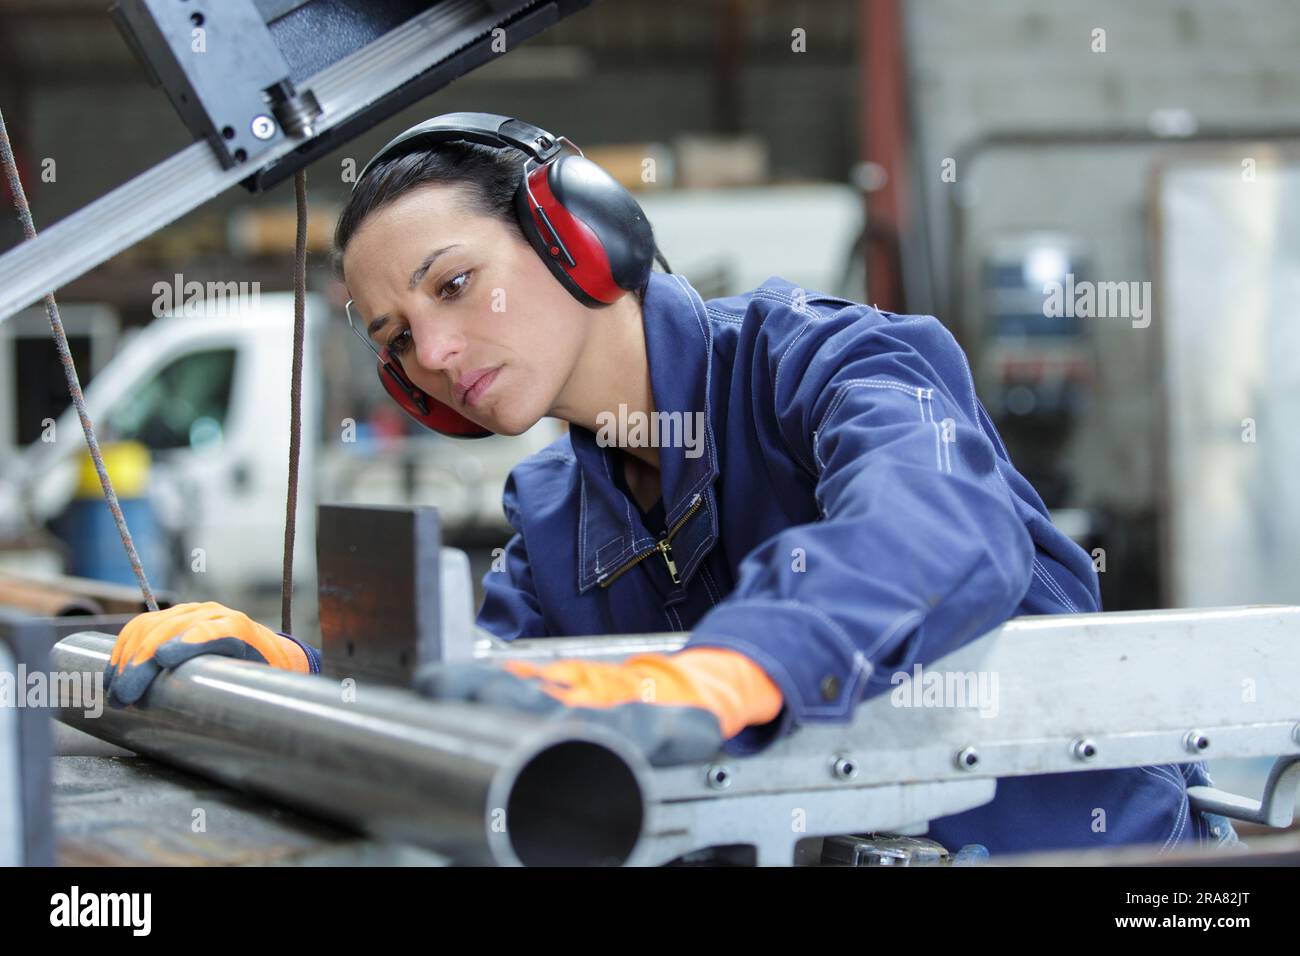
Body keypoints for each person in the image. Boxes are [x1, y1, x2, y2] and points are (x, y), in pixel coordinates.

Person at [104, 113, 1239, 858]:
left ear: (581, 236)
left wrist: (723, 672)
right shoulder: (553, 521)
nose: (435, 352)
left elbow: (939, 528)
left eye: (456, 284)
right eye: (398, 336)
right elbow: (491, 703)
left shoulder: (830, 364)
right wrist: (305, 685)